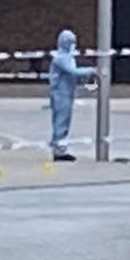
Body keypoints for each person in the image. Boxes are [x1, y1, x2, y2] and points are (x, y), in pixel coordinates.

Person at [48, 29, 96, 162]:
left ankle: (61, 148)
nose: (74, 45)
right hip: (60, 94)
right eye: (71, 42)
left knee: (65, 121)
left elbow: (72, 75)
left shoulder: (68, 57)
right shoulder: (60, 58)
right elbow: (72, 71)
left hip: (67, 92)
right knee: (60, 121)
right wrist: (91, 70)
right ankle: (58, 151)